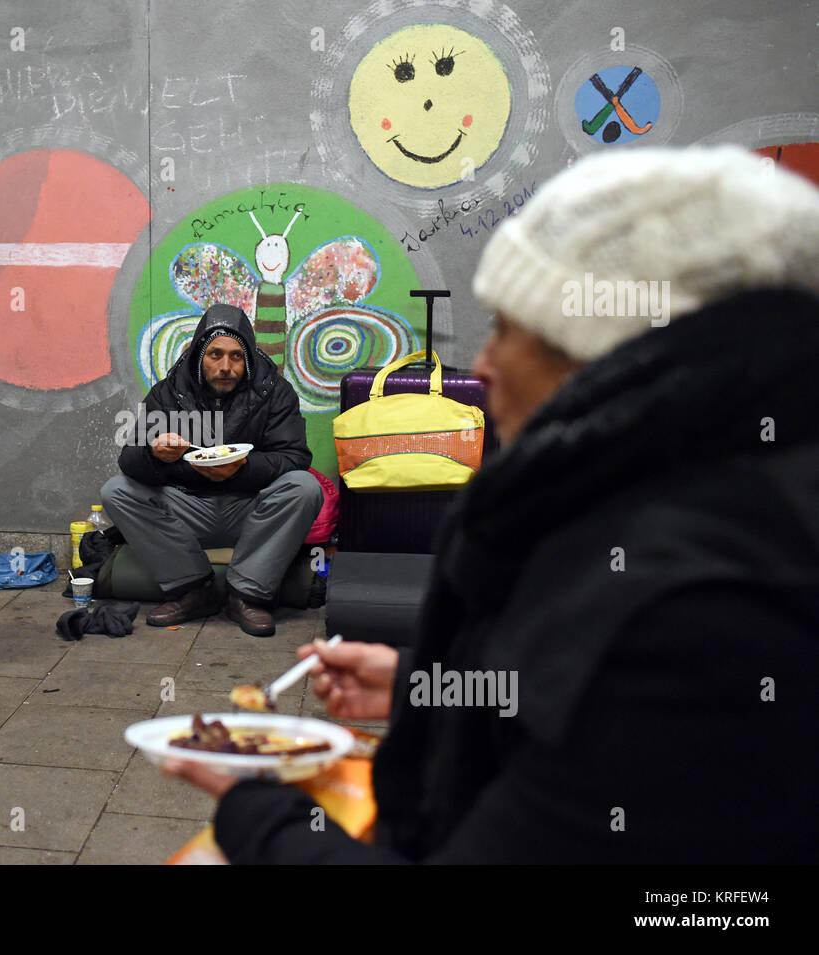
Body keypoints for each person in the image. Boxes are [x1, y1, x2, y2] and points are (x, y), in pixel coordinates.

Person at [168, 145, 819, 862]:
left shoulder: (697, 616)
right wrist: (433, 687)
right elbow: (565, 699)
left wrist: (251, 806)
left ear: (604, 347)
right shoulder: (681, 494)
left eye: (508, 329)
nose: (481, 365)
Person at [101, 303, 323, 637]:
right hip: (187, 508)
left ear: (248, 358)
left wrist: (242, 468)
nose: (225, 367)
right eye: (215, 355)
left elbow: (294, 457)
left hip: (249, 509)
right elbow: (129, 459)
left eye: (236, 357)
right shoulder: (169, 392)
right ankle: (193, 589)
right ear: (198, 355)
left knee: (305, 487)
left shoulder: (274, 393)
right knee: (115, 491)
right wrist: (155, 453)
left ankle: (246, 594)